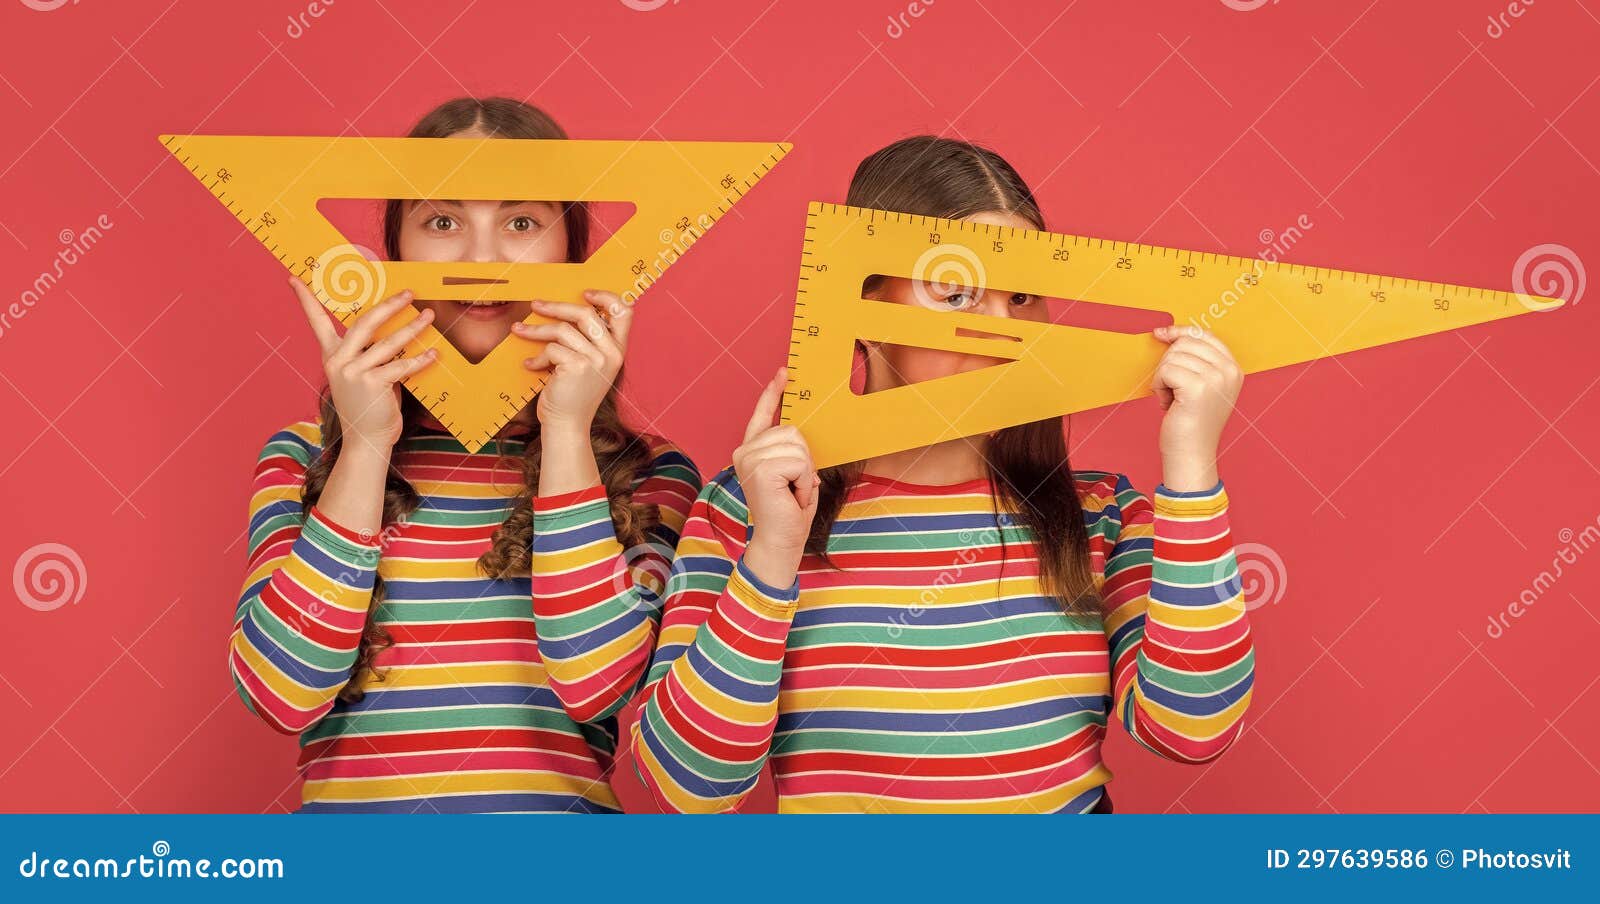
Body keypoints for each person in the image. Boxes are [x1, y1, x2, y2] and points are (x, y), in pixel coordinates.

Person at [631, 135, 1255, 813]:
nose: (1002, 328)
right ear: (859, 312)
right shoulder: (749, 507)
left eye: (1023, 296)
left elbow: (1194, 730)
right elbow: (688, 784)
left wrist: (1192, 470)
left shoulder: (1102, 513)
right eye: (957, 293)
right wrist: (773, 554)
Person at [229, 97, 699, 813]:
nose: (483, 260)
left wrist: (568, 432)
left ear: (575, 256)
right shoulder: (302, 458)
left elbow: (598, 682)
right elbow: (281, 692)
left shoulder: (647, 472)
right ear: (394, 255)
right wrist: (363, 446)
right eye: (443, 222)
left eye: (520, 223)